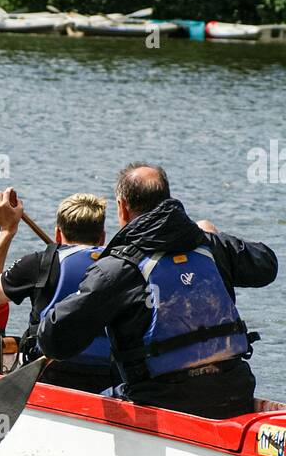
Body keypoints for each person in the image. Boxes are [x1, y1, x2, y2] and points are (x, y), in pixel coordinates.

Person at [38, 163, 278, 418]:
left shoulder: (118, 268)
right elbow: (267, 264)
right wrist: (215, 238)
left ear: (122, 208)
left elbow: (55, 340)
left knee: (94, 400)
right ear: (168, 200)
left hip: (162, 403)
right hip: (234, 393)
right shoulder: (210, 246)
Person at [0, 190, 113, 392]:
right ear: (102, 238)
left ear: (57, 233)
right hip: (105, 376)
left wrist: (6, 231)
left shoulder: (39, 263)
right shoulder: (120, 266)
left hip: (48, 374)